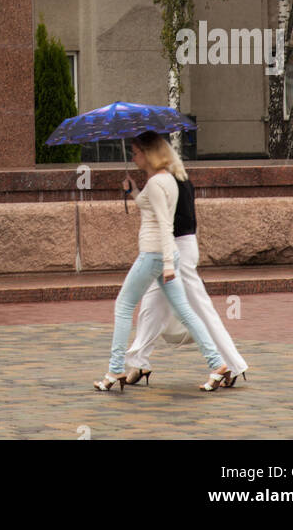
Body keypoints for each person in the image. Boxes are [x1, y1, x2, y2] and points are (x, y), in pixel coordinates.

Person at [94, 131, 232, 392]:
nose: (132, 157)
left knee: (123, 306)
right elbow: (151, 209)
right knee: (185, 312)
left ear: (148, 154)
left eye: (135, 153)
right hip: (162, 255)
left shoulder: (157, 184)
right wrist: (133, 191)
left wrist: (168, 264)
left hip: (153, 254)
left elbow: (166, 225)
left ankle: (114, 370)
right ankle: (217, 365)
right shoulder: (165, 179)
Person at [124, 167, 248, 386]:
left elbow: (177, 219)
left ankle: (231, 363)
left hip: (177, 248)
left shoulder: (173, 180)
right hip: (173, 248)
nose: (138, 159)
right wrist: (134, 192)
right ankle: (139, 361)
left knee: (200, 309)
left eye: (141, 153)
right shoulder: (169, 179)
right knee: (150, 307)